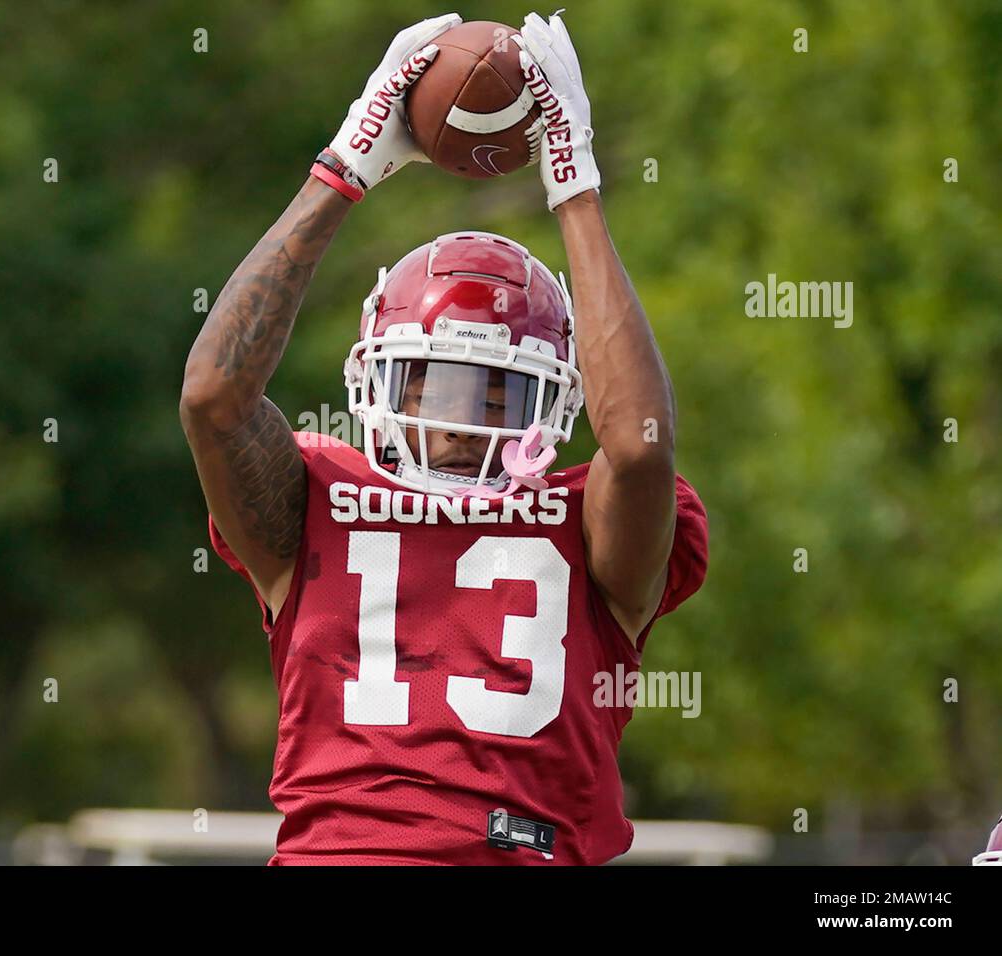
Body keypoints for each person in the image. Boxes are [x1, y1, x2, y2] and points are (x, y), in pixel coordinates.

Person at [180, 11, 708, 865]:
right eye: (436, 385)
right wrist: (345, 164)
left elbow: (641, 445)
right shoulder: (309, 503)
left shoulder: (591, 520)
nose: (464, 424)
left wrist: (574, 180)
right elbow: (212, 398)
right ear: (375, 382)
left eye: (498, 393)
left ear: (558, 400)